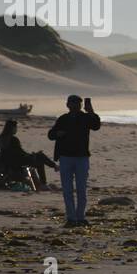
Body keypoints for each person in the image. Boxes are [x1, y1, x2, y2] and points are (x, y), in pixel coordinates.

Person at [48, 94, 101, 227]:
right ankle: (71, 218)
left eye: (78, 104)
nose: (75, 106)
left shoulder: (85, 117)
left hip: (82, 157)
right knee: (67, 190)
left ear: (81, 105)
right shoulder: (63, 119)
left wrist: (91, 111)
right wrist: (57, 134)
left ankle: (80, 217)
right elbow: (51, 135)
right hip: (65, 157)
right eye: (72, 104)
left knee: (81, 189)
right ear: (67, 105)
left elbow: (96, 126)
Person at [0, 118, 56, 189]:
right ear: (12, 128)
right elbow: (20, 153)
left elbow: (17, 153)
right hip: (17, 163)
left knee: (39, 156)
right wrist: (32, 155)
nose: (16, 129)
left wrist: (31, 155)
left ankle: (54, 167)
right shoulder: (13, 139)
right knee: (40, 158)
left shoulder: (2, 138)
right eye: (15, 128)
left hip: (9, 163)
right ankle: (44, 182)